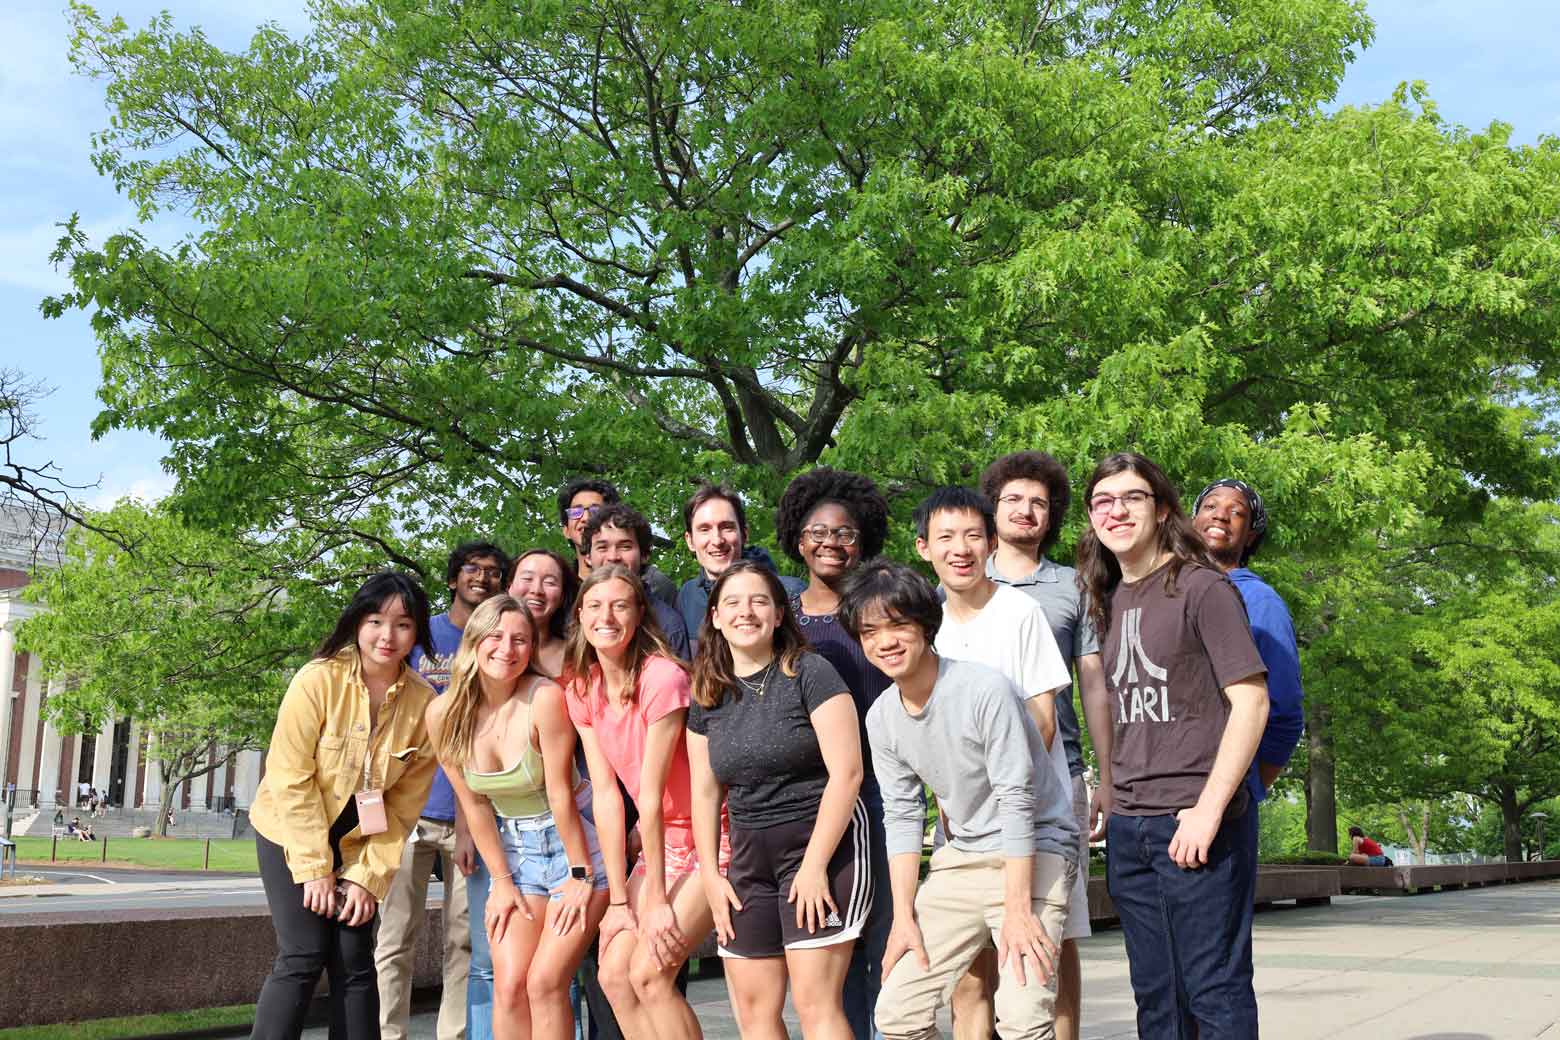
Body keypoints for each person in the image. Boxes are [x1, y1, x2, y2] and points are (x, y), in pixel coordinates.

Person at [838, 560, 1077, 1040]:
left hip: (1034, 850)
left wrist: (1016, 907)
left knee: (1023, 1017)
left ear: (927, 626)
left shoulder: (983, 689)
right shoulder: (882, 718)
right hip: (961, 857)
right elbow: (903, 816)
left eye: (899, 625)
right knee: (897, 1015)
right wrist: (903, 917)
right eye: (870, 631)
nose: (885, 641)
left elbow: (1017, 796)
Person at [1076, 452, 1270, 1038]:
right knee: (1155, 995)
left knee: (1213, 989)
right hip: (1132, 827)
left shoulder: (1201, 586)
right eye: (1103, 501)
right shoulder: (1109, 598)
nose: (1117, 511)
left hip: (1194, 820)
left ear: (1161, 510)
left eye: (1131, 497)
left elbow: (1253, 702)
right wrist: (1107, 789)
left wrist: (1208, 810)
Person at [912, 486, 1075, 1040]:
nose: (961, 549)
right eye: (946, 538)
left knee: (1028, 981)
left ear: (990, 543)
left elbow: (1044, 720)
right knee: (965, 981)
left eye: (973, 536)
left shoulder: (1019, 612)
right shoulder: (921, 621)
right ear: (923, 547)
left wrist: (989, 789)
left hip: (1028, 826)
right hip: (959, 832)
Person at [247, 571, 439, 1040]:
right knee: (304, 951)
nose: (387, 636)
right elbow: (290, 778)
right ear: (357, 622)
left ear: (418, 632)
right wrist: (315, 867)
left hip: (361, 840)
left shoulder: (424, 704)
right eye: (376, 620)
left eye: (403, 624)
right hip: (288, 828)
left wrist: (367, 881)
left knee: (355, 957)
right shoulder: (318, 680)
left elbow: (400, 808)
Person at [687, 561, 870, 1040]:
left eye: (759, 601)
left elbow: (847, 774)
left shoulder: (810, 671)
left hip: (821, 850)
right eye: (733, 602)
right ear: (715, 616)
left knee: (816, 1009)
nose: (746, 612)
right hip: (748, 861)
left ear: (777, 614)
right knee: (754, 1016)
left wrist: (813, 867)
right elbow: (704, 790)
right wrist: (710, 874)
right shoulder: (707, 692)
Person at [427, 595, 611, 1040]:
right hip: (515, 851)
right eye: (496, 636)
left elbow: (561, 795)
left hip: (577, 846)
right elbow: (474, 806)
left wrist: (580, 874)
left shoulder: (543, 698)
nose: (507, 649)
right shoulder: (443, 713)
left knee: (545, 985)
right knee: (508, 986)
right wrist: (500, 883)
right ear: (474, 641)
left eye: (520, 640)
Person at [980, 452, 1111, 1040]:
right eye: (1013, 499)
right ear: (993, 507)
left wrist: (1105, 775)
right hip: (973, 782)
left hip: (1058, 776)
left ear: (1052, 514)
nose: (1025, 510)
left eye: (1038, 502)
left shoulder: (1072, 586)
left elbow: (1093, 683)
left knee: (1057, 932)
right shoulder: (958, 580)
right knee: (979, 933)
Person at [563, 565, 714, 1040]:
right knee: (612, 976)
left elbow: (650, 797)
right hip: (660, 840)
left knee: (649, 975)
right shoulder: (581, 688)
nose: (606, 616)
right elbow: (607, 796)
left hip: (710, 835)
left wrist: (655, 899)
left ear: (638, 614)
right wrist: (621, 902)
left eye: (620, 605)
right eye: (595, 605)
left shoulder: (662, 677)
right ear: (580, 614)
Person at [774, 466, 893, 1040]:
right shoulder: (785, 623)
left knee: (891, 952)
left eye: (844, 533)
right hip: (811, 805)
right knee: (834, 956)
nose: (830, 543)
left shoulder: (885, 610)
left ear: (863, 538)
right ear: (798, 540)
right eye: (817, 533)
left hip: (881, 794)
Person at [378, 541, 510, 1040]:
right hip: (407, 811)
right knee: (394, 937)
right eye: (473, 570)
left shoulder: (497, 643)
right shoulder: (421, 634)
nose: (483, 578)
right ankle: (389, 1033)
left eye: (495, 572)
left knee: (465, 939)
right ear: (453, 578)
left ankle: (453, 1033)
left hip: (469, 817)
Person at [1191, 479, 1306, 802]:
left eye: (1236, 512)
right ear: (1192, 521)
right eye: (1210, 506)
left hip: (1220, 803)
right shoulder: (1164, 593)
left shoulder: (1259, 601)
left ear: (1251, 534)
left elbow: (1285, 712)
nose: (1220, 516)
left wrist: (1248, 786)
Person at [675, 483, 805, 642]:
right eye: (704, 529)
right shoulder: (687, 597)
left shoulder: (791, 594)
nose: (717, 540)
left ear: (744, 534)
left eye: (727, 527)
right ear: (690, 541)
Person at [583, 504, 693, 660]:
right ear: (587, 556)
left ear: (644, 554)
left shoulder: (667, 625)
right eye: (602, 547)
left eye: (625, 546)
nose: (613, 556)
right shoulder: (575, 618)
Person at [559, 478, 677, 606]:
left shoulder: (656, 585)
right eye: (576, 512)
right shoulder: (560, 588)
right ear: (565, 530)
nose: (586, 518)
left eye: (596, 510)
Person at [507, 549, 581, 680]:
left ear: (562, 595)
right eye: (527, 578)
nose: (537, 590)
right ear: (509, 586)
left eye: (550, 582)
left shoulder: (580, 655)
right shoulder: (488, 649)